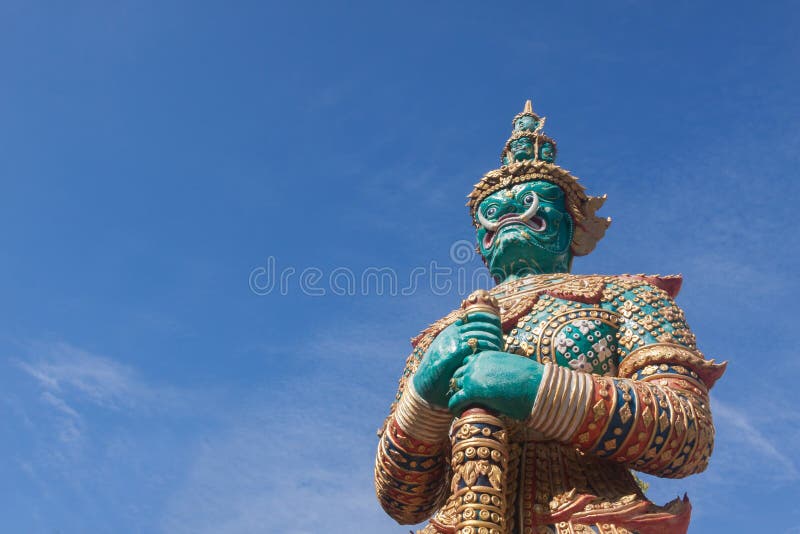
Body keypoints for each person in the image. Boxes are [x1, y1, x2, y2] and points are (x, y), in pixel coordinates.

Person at [375, 101, 725, 534]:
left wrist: (539, 389)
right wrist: (422, 401)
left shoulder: (624, 298)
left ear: (571, 224)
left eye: (526, 203)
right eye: (493, 211)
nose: (508, 216)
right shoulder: (442, 335)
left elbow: (687, 434)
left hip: (586, 517)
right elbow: (402, 501)